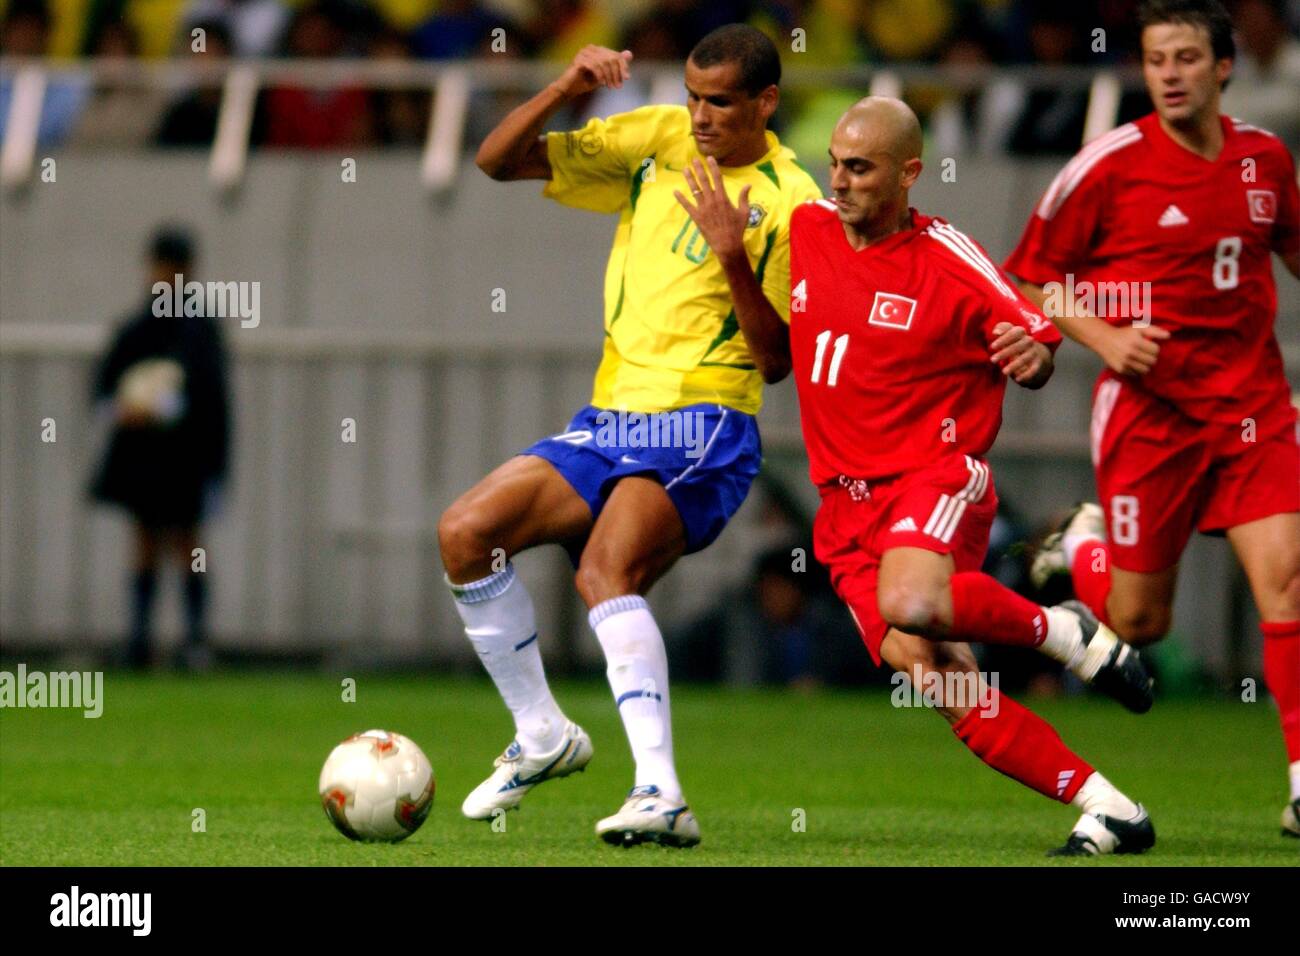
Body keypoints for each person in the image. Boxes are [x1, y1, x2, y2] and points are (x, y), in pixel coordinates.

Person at [699, 95, 1157, 856]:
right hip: (844, 512)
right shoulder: (805, 231)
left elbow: (1035, 336)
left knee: (913, 600)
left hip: (934, 476)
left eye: (860, 167)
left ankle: (1063, 633)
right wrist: (732, 263)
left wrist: (1034, 354)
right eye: (835, 164)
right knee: (946, 685)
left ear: (909, 173)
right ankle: (1109, 807)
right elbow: (773, 361)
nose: (839, 181)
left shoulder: (946, 252)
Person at [438, 25, 821, 848]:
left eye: (720, 101)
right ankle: (542, 735)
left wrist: (732, 258)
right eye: (692, 96)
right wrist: (565, 84)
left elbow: (779, 359)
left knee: (605, 570)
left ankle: (661, 792)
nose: (701, 115)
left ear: (765, 101)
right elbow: (497, 160)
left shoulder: (795, 202)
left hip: (707, 422)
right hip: (609, 418)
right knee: (466, 533)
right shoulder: (657, 140)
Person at [1006, 0, 1300, 837]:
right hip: (1150, 418)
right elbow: (1030, 277)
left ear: (1223, 67)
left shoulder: (1265, 160)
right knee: (1139, 623)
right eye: (1154, 59)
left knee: (1287, 583)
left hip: (1251, 411)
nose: (1167, 74)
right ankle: (1081, 546)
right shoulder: (1107, 165)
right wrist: (1103, 335)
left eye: (1183, 58)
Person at [90, 227, 232, 671]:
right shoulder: (136, 327)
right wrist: (126, 409)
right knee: (145, 542)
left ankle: (193, 643)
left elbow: (213, 399)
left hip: (185, 457)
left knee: (189, 544)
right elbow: (103, 389)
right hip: (144, 458)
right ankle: (139, 642)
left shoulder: (200, 331)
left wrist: (176, 412)